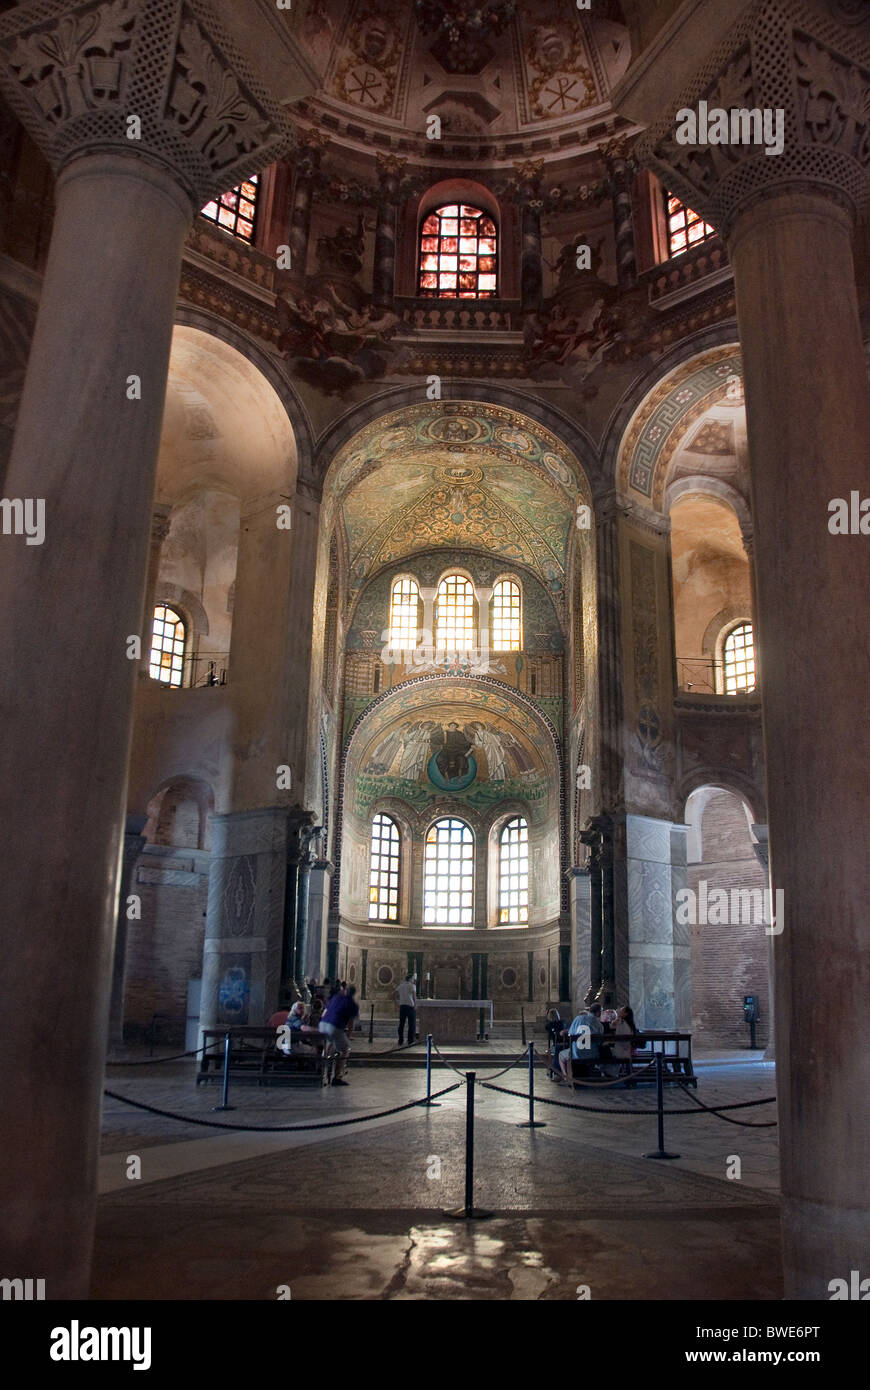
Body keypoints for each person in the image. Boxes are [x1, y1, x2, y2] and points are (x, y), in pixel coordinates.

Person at [318, 983, 359, 1085]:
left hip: (323, 1024)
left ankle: (320, 1072)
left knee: (328, 1047)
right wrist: (348, 1037)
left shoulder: (336, 997)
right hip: (334, 1026)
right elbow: (351, 1023)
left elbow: (324, 1012)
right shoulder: (352, 1004)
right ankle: (337, 1077)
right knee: (345, 1049)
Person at [559, 1003, 603, 1085]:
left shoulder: (578, 1019)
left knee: (561, 1055)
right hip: (592, 1054)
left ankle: (566, 1078)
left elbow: (571, 1034)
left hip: (576, 1053)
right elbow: (599, 1041)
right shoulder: (598, 1024)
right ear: (598, 1012)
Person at [545, 1007, 567, 1080]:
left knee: (556, 1049)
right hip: (565, 1044)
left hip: (557, 1044)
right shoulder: (562, 1023)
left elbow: (547, 1027)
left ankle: (556, 1072)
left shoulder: (549, 1025)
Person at [396, 972, 417, 1045]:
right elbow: (414, 996)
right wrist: (415, 1005)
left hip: (402, 1006)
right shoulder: (412, 986)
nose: (413, 980)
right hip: (410, 1006)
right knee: (411, 1024)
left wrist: (397, 1002)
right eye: (413, 979)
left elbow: (395, 994)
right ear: (411, 979)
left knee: (401, 1024)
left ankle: (400, 1040)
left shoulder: (401, 985)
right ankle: (410, 1040)